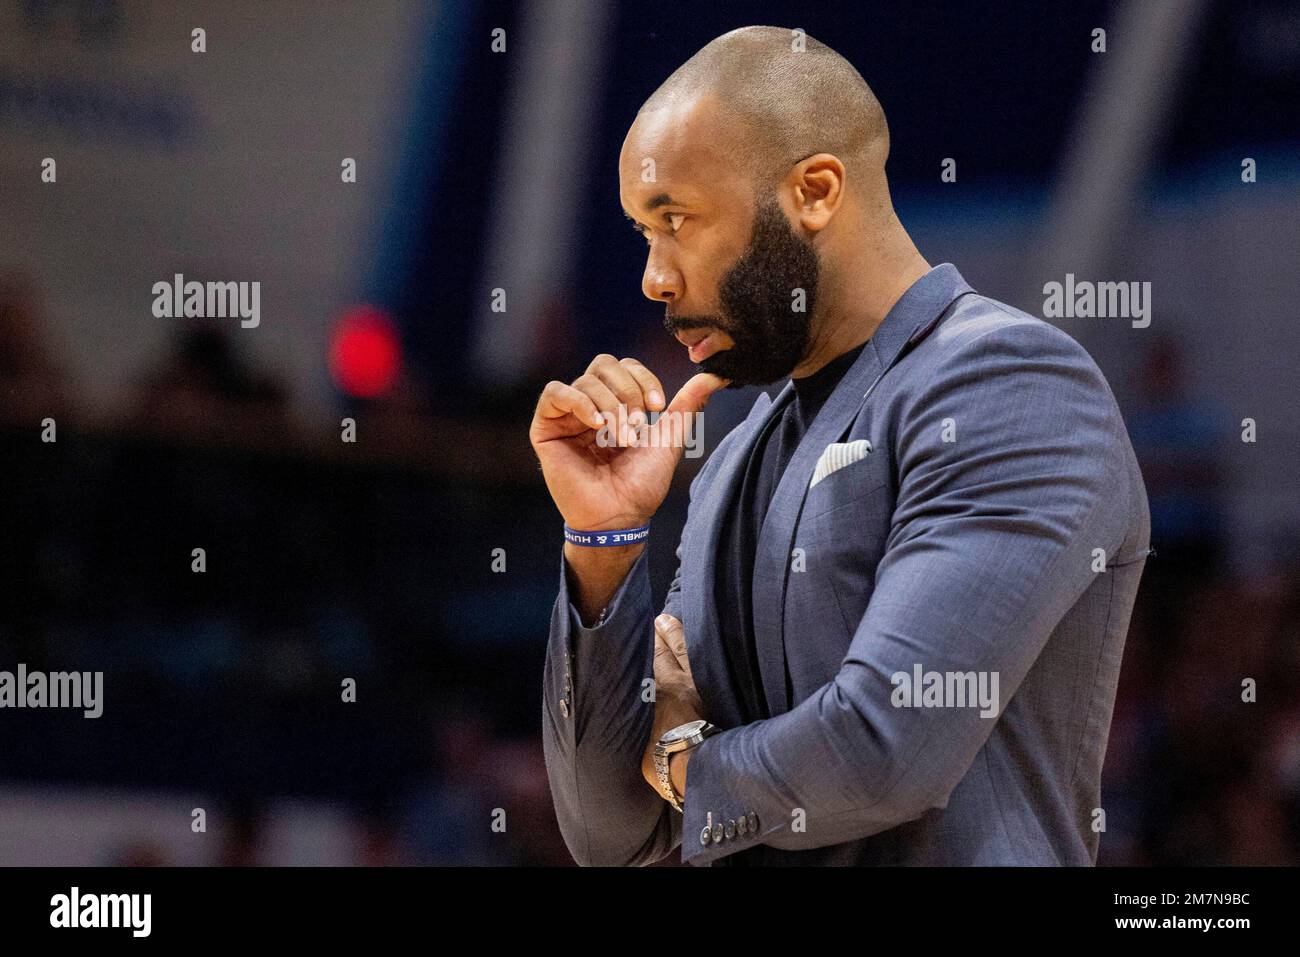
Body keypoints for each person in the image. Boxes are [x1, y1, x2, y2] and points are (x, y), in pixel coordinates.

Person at [530, 26, 1151, 866]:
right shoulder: (737, 456)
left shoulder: (1010, 385)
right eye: (645, 232)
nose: (654, 278)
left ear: (815, 191)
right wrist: (601, 543)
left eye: (675, 219)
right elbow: (613, 833)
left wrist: (684, 760)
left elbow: (884, 750)